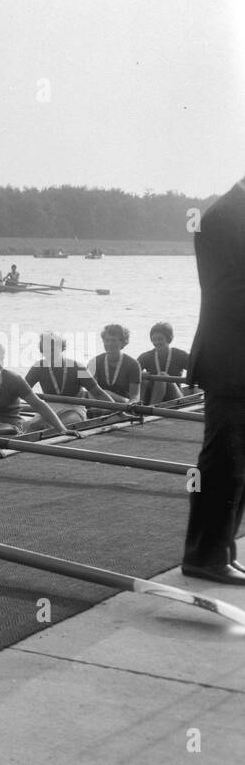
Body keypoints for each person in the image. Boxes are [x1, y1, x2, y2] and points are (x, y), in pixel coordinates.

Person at [182, 178, 245, 585]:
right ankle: (205, 555)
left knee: (238, 464)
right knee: (225, 462)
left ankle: (219, 549)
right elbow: (228, 294)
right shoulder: (223, 218)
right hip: (231, 357)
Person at [0, 339, 73, 436]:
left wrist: (62, 429)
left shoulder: (14, 379)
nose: (0, 363)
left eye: (1, 358)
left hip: (8, 427)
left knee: (4, 430)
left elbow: (39, 405)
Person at [24, 331, 118, 426]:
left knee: (54, 426)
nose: (50, 353)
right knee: (32, 426)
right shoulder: (37, 368)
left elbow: (98, 393)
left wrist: (119, 411)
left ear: (61, 348)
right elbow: (21, 391)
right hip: (48, 409)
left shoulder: (78, 367)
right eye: (46, 350)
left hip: (73, 408)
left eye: (53, 349)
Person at [87, 323, 142, 403]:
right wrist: (95, 408)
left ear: (123, 343)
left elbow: (135, 396)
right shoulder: (93, 362)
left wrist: (130, 406)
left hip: (124, 403)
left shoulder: (133, 364)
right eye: (107, 340)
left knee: (106, 392)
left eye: (113, 340)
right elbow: (90, 391)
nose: (109, 344)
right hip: (99, 403)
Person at [138, 322, 190, 405]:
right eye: (154, 339)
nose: (157, 342)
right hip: (152, 395)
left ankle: (149, 410)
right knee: (141, 377)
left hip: (175, 398)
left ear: (169, 339)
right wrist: (140, 374)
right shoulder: (145, 356)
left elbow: (197, 372)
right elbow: (131, 374)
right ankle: (140, 406)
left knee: (162, 376)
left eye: (160, 339)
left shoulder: (180, 355)